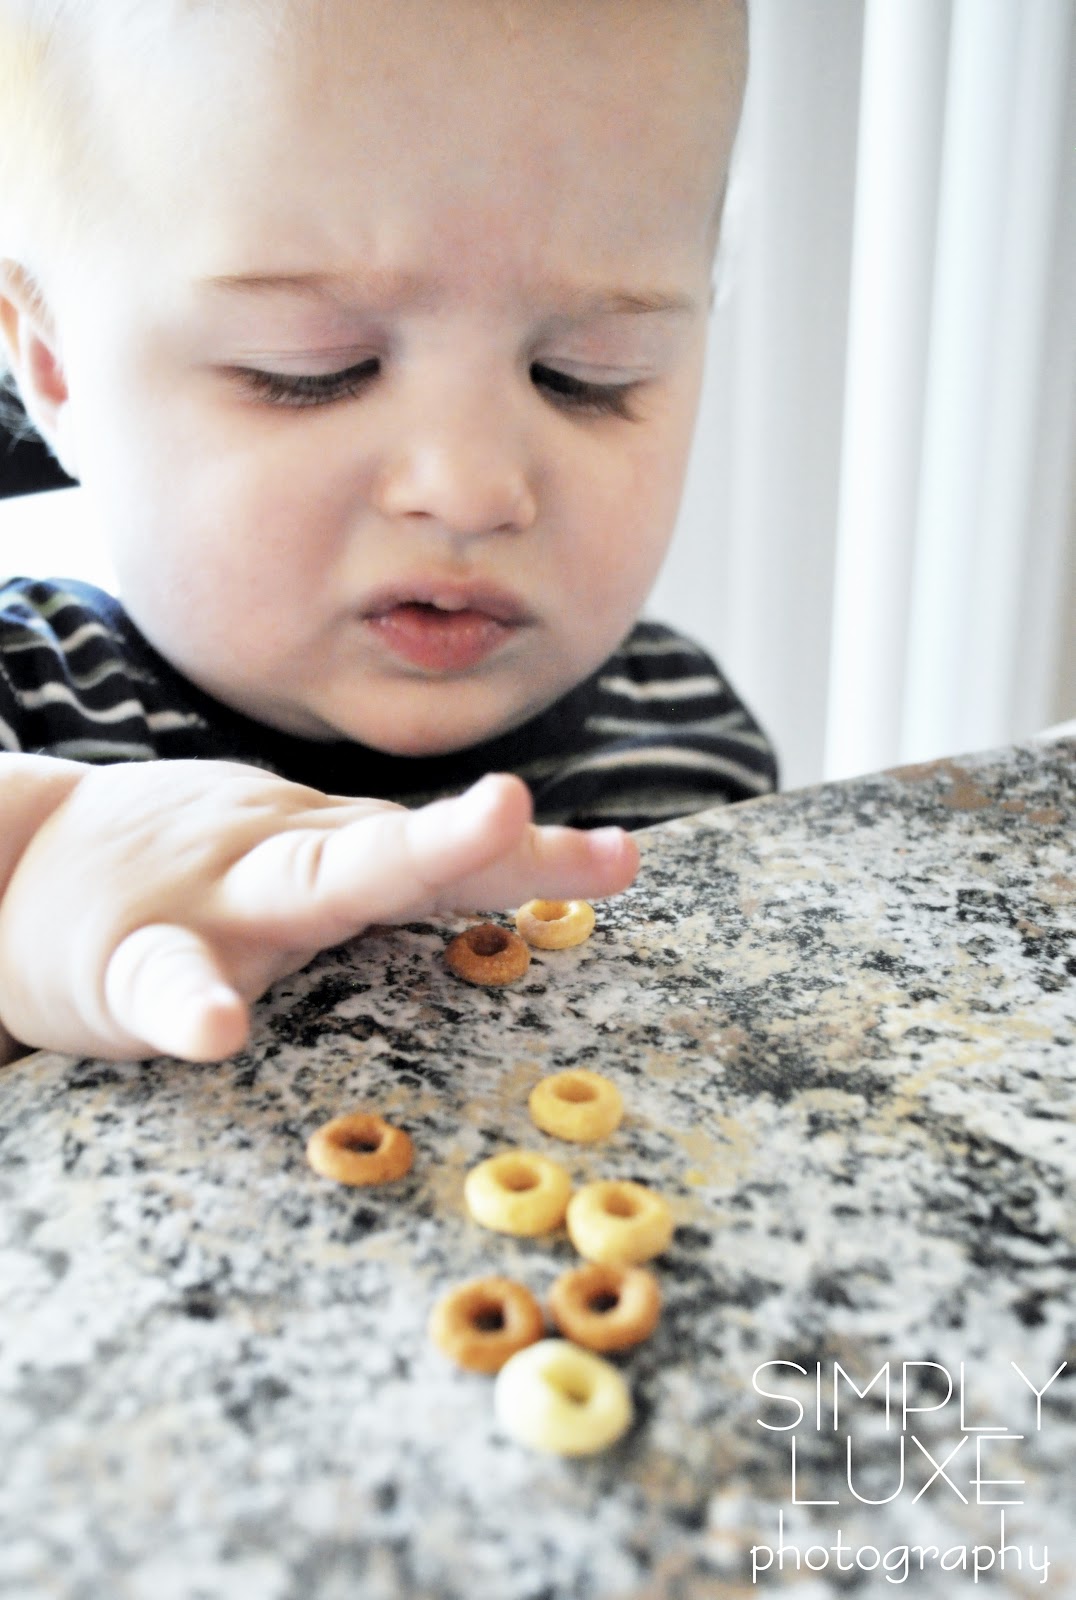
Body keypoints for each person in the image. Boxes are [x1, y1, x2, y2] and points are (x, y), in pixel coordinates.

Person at [0, 0, 775, 1067]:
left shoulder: (693, 746)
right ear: (56, 369)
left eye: (588, 375)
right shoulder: (23, 711)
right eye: (310, 370)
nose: (468, 490)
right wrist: (31, 884)